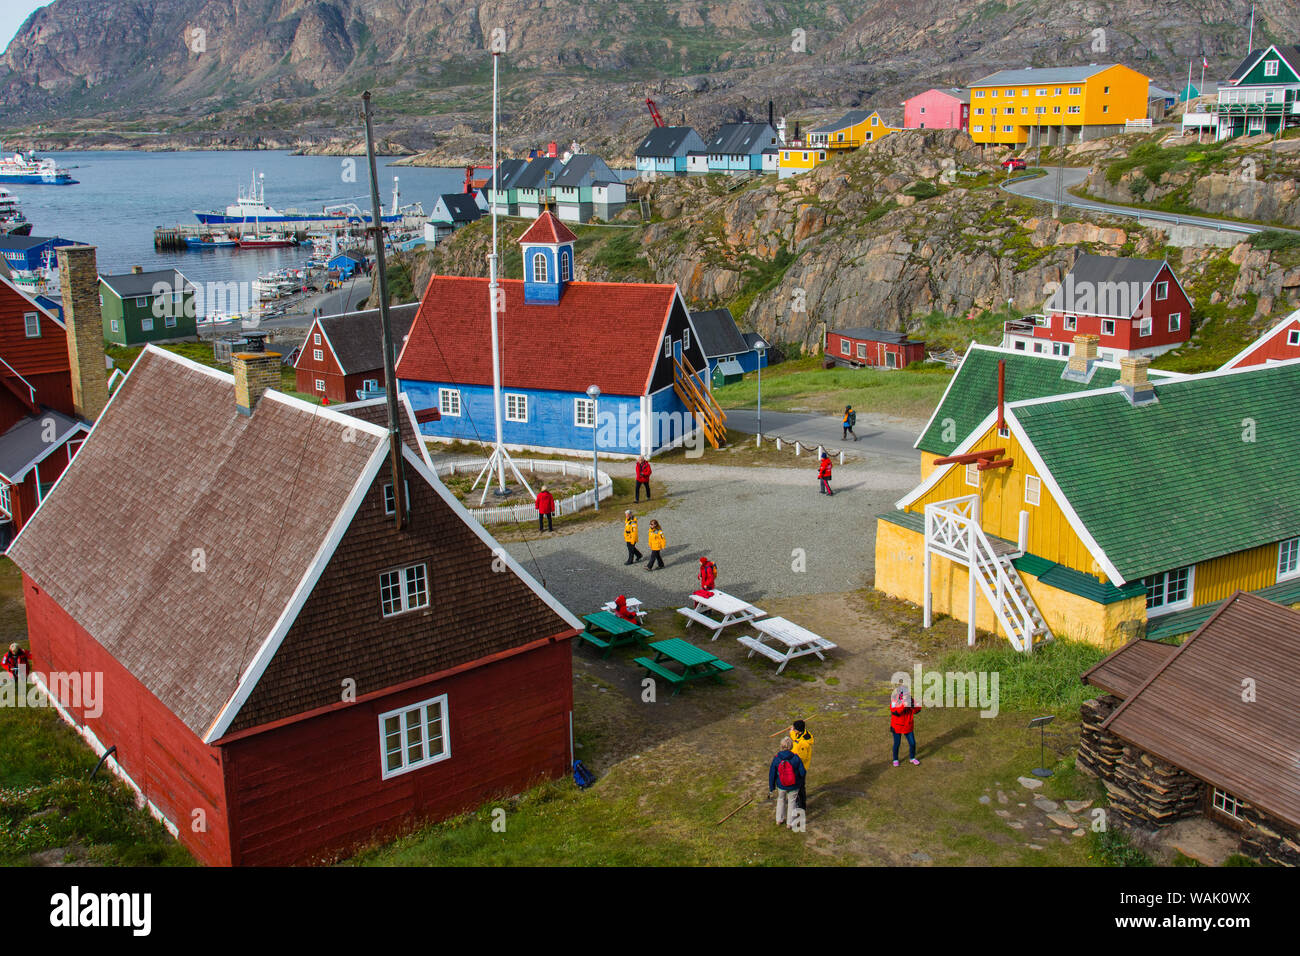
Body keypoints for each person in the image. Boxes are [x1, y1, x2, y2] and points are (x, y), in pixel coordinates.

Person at [768, 736, 807, 829]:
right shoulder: (796, 758)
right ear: (791, 746)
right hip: (794, 785)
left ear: (781, 746)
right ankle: (790, 823)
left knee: (780, 800)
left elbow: (772, 774)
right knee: (792, 802)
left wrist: (771, 787)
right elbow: (803, 772)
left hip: (781, 785)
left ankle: (779, 819)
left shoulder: (777, 759)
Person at [890, 683, 922, 766]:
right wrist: (904, 705)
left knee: (912, 743)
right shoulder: (894, 700)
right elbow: (895, 712)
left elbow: (918, 710)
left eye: (907, 694)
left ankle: (912, 758)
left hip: (908, 726)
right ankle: (895, 759)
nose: (907, 695)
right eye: (905, 694)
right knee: (897, 743)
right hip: (897, 726)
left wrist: (912, 706)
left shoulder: (911, 700)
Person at [790, 720, 814, 812]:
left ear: (799, 731)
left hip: (801, 768)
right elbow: (795, 739)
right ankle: (797, 802)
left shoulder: (804, 743)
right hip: (796, 766)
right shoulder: (800, 735)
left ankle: (802, 806)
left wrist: (792, 760)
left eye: (794, 729)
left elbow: (802, 758)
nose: (793, 730)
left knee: (800, 787)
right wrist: (792, 732)